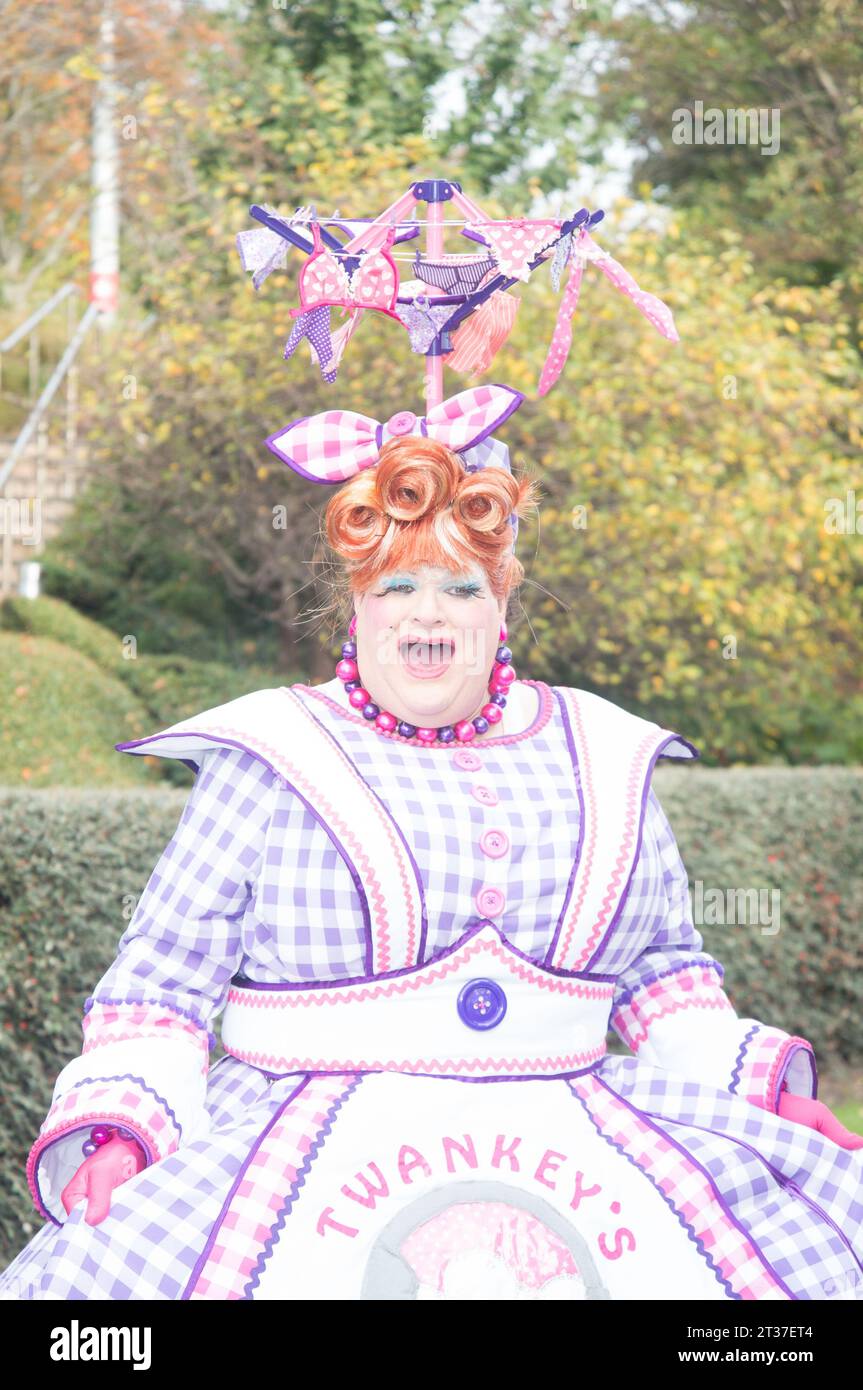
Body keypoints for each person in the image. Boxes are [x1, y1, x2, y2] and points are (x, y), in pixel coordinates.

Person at [2, 431, 861, 1302]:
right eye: (397, 586)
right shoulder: (267, 752)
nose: (427, 614)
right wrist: (124, 1126)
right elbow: (163, 985)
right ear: (357, 607)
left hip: (591, 1147)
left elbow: (663, 974)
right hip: (291, 1161)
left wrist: (757, 1088)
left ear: (501, 608)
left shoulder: (604, 750)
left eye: (461, 587)